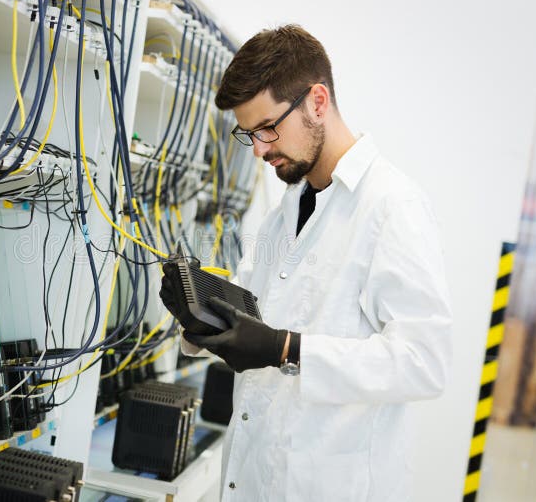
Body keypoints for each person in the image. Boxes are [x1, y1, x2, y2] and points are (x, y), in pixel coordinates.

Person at [159, 25, 453, 502]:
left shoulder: (392, 206)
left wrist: (288, 349)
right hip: (257, 476)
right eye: (247, 134)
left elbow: (424, 362)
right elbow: (259, 312)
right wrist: (203, 320)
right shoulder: (291, 205)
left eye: (267, 128)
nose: (258, 149)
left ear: (318, 102)